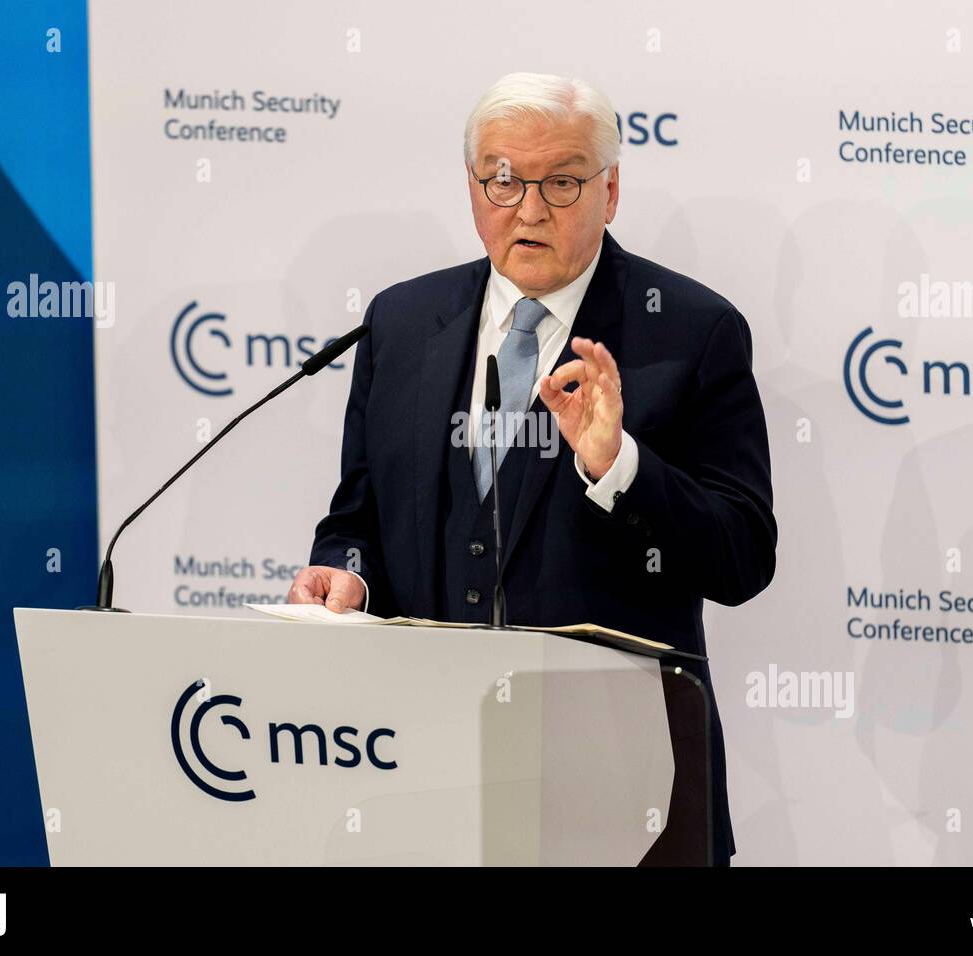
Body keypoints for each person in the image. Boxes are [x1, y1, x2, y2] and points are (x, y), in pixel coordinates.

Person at [290, 71, 776, 864]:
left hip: (622, 783)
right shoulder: (403, 321)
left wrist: (621, 465)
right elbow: (359, 519)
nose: (530, 207)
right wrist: (348, 574)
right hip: (424, 764)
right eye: (503, 180)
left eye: (561, 181)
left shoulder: (691, 331)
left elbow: (743, 557)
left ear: (611, 190)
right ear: (474, 186)